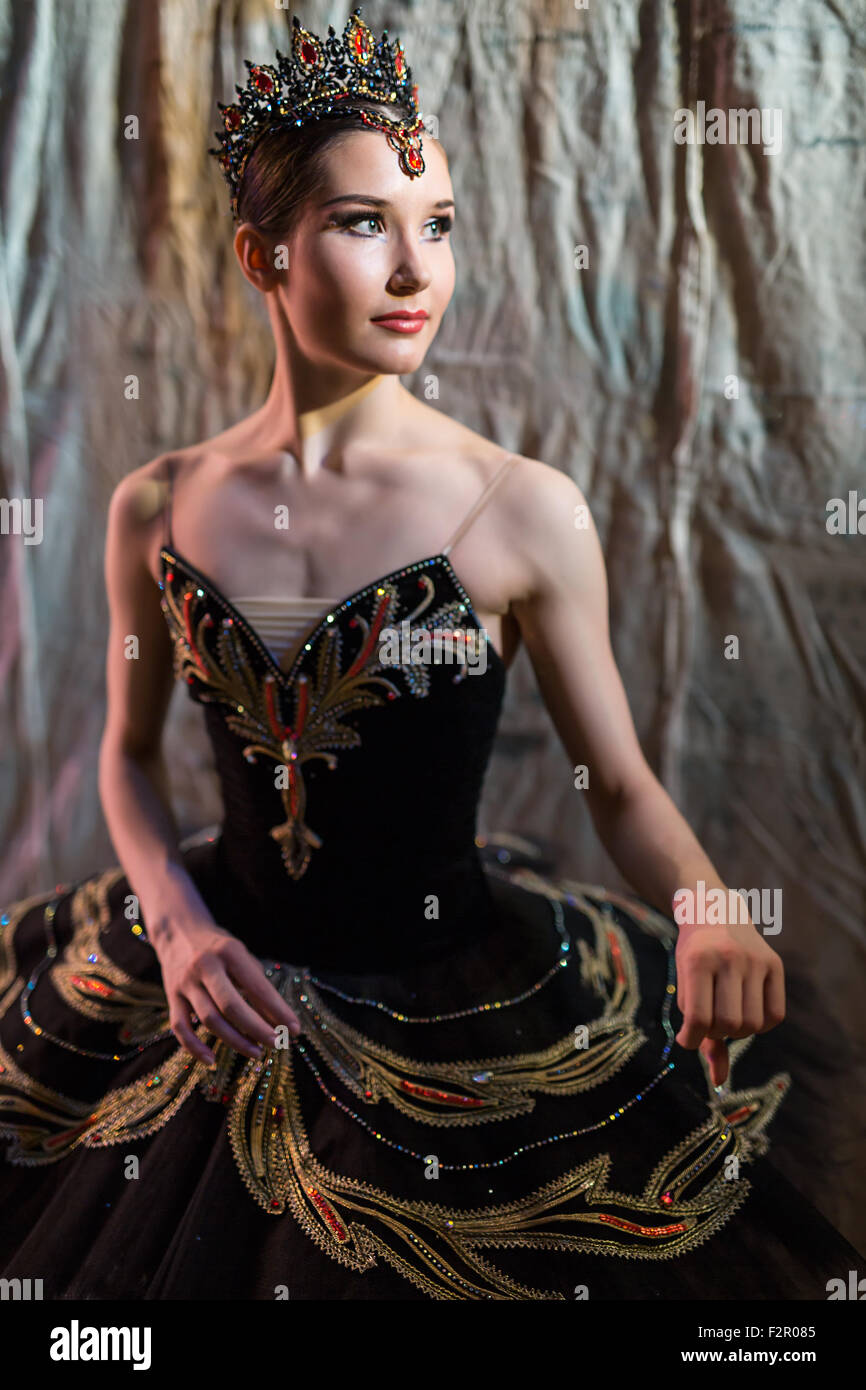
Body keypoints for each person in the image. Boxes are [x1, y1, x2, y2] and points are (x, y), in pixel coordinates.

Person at [0, 7, 860, 1301]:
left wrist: (704, 900)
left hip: (458, 1001)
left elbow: (617, 781)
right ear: (262, 253)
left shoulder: (521, 506)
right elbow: (124, 756)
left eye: (438, 223)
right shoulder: (154, 502)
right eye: (363, 224)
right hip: (216, 984)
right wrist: (174, 927)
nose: (416, 270)